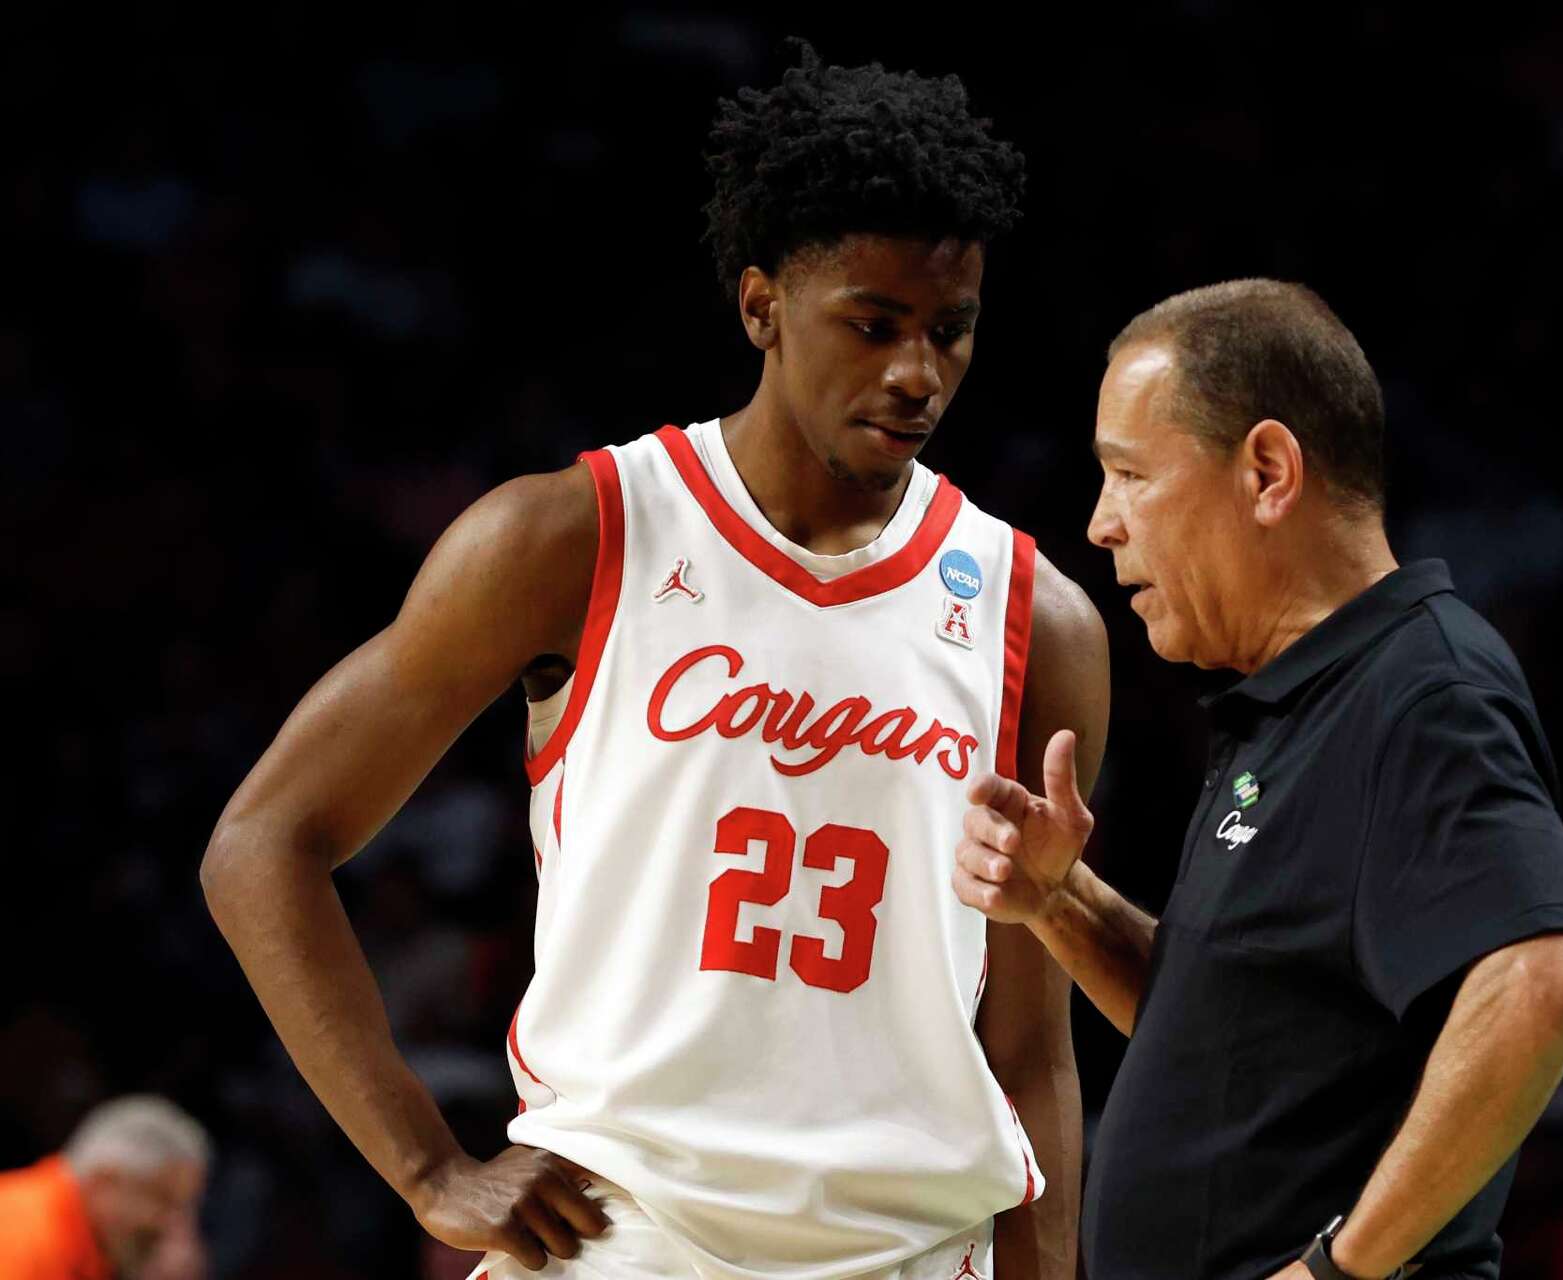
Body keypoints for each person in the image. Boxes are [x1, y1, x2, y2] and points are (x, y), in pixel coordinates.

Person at [201, 44, 1107, 1280]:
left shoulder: (1034, 617)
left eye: (951, 330)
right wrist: (428, 1168)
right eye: (874, 324)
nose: (917, 372)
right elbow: (262, 840)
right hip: (616, 1239)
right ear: (761, 306)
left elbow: (1031, 1049)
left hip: (908, 1249)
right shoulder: (569, 537)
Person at [953, 280, 1563, 1279]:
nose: (1101, 522)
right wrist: (1061, 900)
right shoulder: (1304, 699)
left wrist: (1334, 1270)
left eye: (1129, 473)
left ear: (1267, 472)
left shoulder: (1422, 690)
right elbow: (1243, 1046)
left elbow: (1545, 981)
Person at [0, 1094, 209, 1280]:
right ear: (105, 1182)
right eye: (162, 1200)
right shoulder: (25, 1240)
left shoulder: (81, 1246)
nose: (170, 1224)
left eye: (181, 1207)